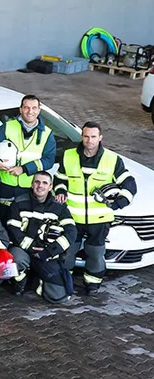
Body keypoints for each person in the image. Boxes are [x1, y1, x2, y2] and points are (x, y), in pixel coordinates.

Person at [55, 121, 136, 294]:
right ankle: (63, 283)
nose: (89, 140)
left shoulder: (112, 159)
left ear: (100, 138)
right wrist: (60, 190)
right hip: (72, 218)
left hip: (99, 220)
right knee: (68, 252)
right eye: (86, 136)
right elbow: (60, 178)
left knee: (95, 254)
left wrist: (118, 204)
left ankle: (92, 285)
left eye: (93, 137)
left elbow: (129, 184)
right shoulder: (68, 156)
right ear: (82, 137)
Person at [7, 171, 77, 302]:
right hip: (24, 249)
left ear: (50, 187)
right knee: (15, 258)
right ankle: (19, 282)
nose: (40, 186)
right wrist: (32, 247)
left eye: (45, 183)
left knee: (58, 297)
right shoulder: (19, 202)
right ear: (32, 184)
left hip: (47, 253)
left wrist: (50, 251)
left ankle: (36, 281)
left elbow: (71, 232)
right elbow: (13, 230)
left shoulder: (59, 207)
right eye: (37, 182)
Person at [0, 94, 56, 209]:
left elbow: (49, 160)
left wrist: (24, 169)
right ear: (20, 110)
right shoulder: (8, 126)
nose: (30, 111)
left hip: (29, 187)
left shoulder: (47, 133)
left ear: (39, 110)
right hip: (4, 185)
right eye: (26, 107)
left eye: (34, 108)